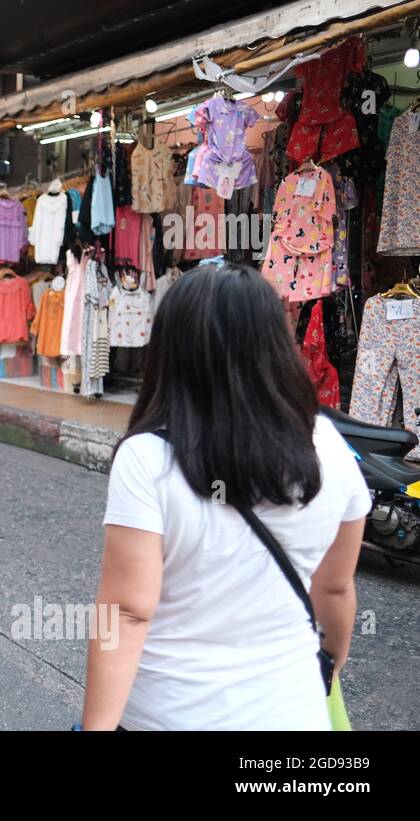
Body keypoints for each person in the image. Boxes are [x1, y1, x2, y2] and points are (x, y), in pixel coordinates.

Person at [82, 264, 368, 731]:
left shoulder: (148, 458)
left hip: (169, 715)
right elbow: (334, 589)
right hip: (293, 712)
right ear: (276, 344)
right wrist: (327, 669)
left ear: (171, 349)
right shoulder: (330, 447)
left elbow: (127, 613)